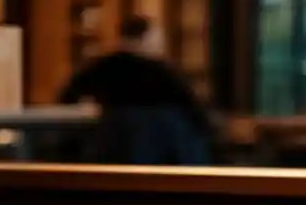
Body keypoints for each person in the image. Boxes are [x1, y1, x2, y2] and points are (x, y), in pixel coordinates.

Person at [60, 16, 213, 165]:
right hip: (162, 145)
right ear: (145, 38)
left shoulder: (102, 66)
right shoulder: (161, 71)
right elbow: (192, 107)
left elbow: (68, 95)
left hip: (114, 143)